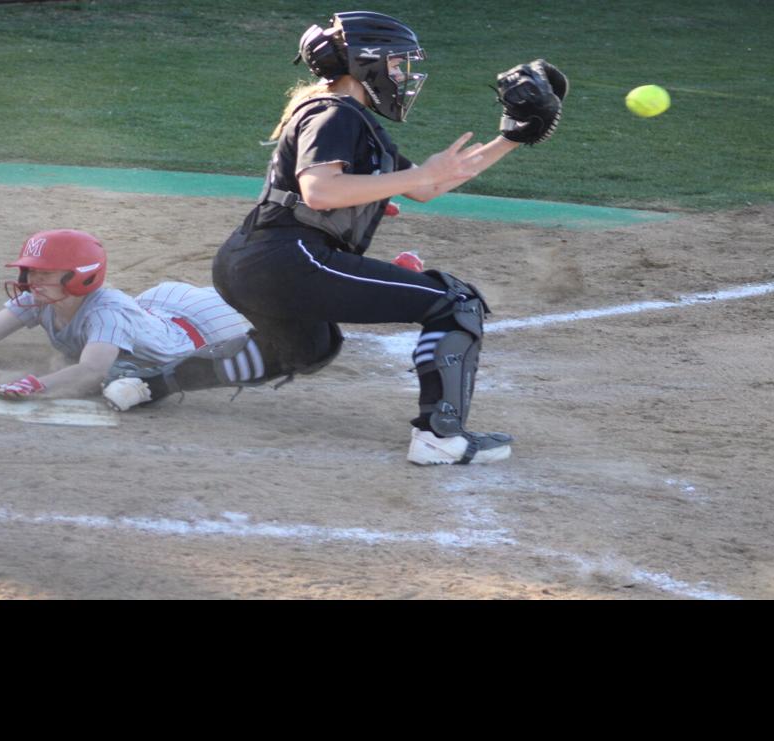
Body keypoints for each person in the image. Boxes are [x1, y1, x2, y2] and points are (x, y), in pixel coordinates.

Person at [104, 11, 566, 465]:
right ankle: (440, 435)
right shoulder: (335, 115)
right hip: (290, 259)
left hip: (256, 262)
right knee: (454, 301)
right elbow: (320, 191)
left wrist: (513, 135)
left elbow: (429, 186)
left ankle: (148, 383)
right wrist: (409, 177)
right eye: (396, 63)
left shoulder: (352, 120)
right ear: (365, 63)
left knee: (307, 348)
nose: (403, 74)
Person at [0, 229, 261, 408]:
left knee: (278, 308)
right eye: (30, 271)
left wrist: (33, 384)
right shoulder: (41, 298)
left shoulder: (106, 311)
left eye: (43, 272)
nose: (31, 279)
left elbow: (90, 371)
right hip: (158, 308)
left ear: (80, 276)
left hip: (210, 324)